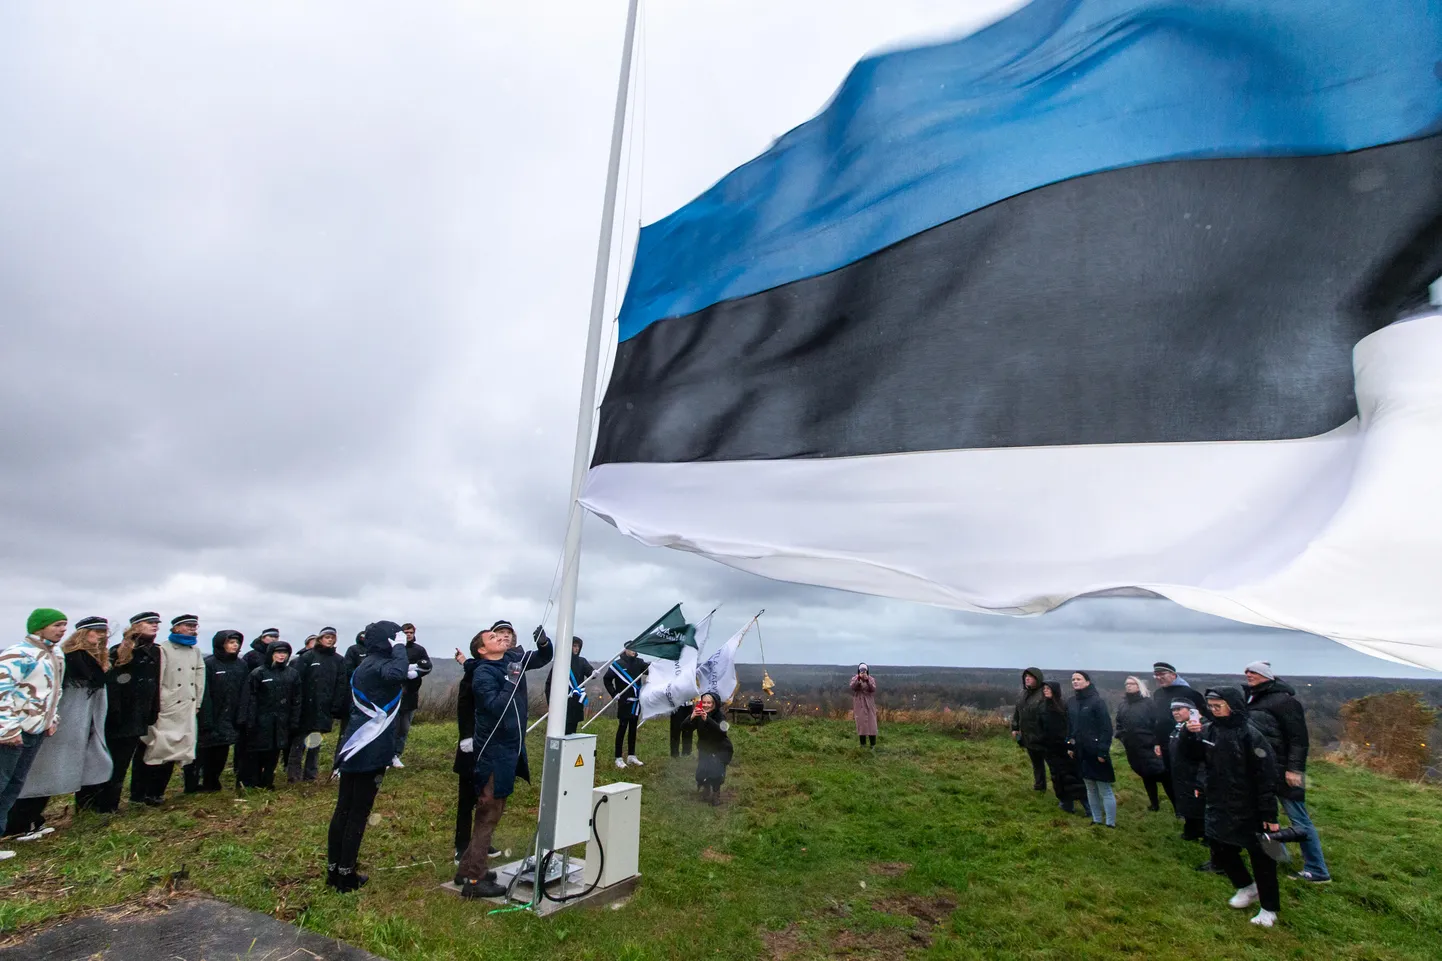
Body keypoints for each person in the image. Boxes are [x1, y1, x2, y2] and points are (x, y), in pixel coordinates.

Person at [455, 622, 553, 899]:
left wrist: (544, 643)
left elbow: (544, 658)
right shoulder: (484, 672)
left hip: (509, 748)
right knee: (489, 812)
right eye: (494, 636)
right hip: (494, 751)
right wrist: (511, 679)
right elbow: (494, 706)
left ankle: (467, 870)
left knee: (490, 811)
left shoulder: (511, 660)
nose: (501, 638)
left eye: (503, 634)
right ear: (482, 649)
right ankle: (475, 881)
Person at [1182, 687, 1282, 928]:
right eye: (1211, 706)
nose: (1213, 710)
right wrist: (1188, 735)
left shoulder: (1250, 735)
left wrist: (1269, 812)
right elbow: (1194, 758)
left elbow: (1266, 774)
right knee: (1219, 846)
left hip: (1250, 805)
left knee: (1262, 857)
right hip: (1219, 801)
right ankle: (1246, 887)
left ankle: (1269, 909)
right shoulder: (1210, 730)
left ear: (1233, 705)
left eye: (1218, 706)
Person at [7, 616, 112, 839]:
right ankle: (19, 824)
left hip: (67, 725)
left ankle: (30, 820)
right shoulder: (71, 658)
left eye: (104, 631)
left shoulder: (68, 657)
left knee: (43, 775)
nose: (102, 635)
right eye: (96, 631)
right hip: (52, 726)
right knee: (35, 774)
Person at [328, 620, 412, 892]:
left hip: (356, 745)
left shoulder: (369, 663)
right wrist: (400, 649)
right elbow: (395, 673)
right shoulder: (379, 664)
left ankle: (334, 869)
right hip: (370, 747)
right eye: (396, 637)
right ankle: (346, 874)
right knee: (357, 812)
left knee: (344, 808)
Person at [1244, 660, 1331, 884]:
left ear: (1267, 676)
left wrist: (1294, 769)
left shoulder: (1284, 701)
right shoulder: (1253, 698)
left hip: (1283, 769)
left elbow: (1298, 738)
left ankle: (1317, 870)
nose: (1248, 674)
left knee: (1298, 818)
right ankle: (1279, 857)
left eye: (1253, 671)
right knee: (1266, 815)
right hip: (1262, 768)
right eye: (1246, 671)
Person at [0, 609, 67, 860]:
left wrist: (52, 719)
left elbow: (53, 693)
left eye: (64, 625)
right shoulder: (18, 654)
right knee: (1, 783)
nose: (62, 630)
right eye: (57, 625)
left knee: (13, 785)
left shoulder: (55, 654)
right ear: (39, 627)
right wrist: (7, 730)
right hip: (12, 733)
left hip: (35, 730)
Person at [136, 614, 206, 806]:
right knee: (157, 750)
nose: (192, 629)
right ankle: (143, 793)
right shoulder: (163, 650)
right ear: (176, 628)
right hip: (167, 708)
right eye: (187, 626)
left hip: (186, 707)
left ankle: (158, 791)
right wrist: (157, 705)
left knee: (175, 753)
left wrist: (197, 702)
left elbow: (200, 678)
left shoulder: (195, 651)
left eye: (194, 626)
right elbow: (158, 679)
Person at [98, 612, 163, 812]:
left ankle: (138, 796)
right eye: (149, 623)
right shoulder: (121, 650)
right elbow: (114, 684)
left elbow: (155, 684)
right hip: (123, 716)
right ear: (136, 626)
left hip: (143, 715)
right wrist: (116, 713)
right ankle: (107, 806)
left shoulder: (156, 651)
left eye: (156, 623)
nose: (155, 626)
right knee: (117, 763)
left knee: (140, 757)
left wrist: (154, 708)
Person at [288, 627, 349, 783]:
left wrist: (335, 705)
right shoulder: (307, 657)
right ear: (320, 639)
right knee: (299, 743)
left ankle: (310, 774)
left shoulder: (338, 660)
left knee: (314, 743)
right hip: (305, 707)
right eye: (327, 637)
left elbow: (341, 684)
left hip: (324, 709)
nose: (329, 640)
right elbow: (297, 681)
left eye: (332, 637)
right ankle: (294, 774)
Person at [239, 639, 301, 790]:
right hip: (261, 720)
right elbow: (250, 699)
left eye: (284, 653)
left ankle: (267, 782)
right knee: (258, 752)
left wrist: (294, 721)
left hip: (281, 721)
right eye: (278, 652)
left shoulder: (292, 674)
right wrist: (249, 721)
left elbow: (297, 699)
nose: (281, 656)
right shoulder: (258, 673)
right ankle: (252, 782)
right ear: (271, 654)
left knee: (274, 753)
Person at [1150, 661, 1208, 812]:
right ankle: (1179, 809)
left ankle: (1195, 811)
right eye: (1156, 675)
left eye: (1162, 674)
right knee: (1169, 775)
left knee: (1187, 777)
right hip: (1165, 742)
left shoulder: (1189, 693)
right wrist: (1156, 741)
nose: (1158, 678)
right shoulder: (1158, 694)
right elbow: (1157, 719)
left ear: (1173, 675)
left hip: (1186, 742)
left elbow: (1204, 716)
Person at [194, 630, 246, 792]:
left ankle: (213, 780)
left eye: (237, 642)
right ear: (220, 644)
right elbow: (204, 691)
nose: (235, 645)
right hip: (211, 713)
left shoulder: (241, 665)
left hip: (230, 714)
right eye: (231, 642)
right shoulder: (209, 664)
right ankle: (196, 782)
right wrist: (206, 716)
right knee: (204, 751)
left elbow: (244, 690)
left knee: (222, 751)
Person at [1166, 698, 1214, 868]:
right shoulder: (1177, 728)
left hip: (1196, 773)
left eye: (1180, 709)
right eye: (1173, 710)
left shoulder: (1201, 727)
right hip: (1181, 773)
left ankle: (1209, 836)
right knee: (1187, 801)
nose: (1176, 712)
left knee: (1201, 803)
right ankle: (1192, 830)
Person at [1066, 671, 1116, 828]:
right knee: (1089, 787)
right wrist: (1070, 745)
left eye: (1079, 679)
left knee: (1104, 787)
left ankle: (1110, 823)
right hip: (1080, 751)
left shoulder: (1096, 701)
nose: (1075, 681)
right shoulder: (1071, 702)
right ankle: (1096, 820)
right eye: (1073, 679)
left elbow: (1106, 728)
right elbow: (1070, 727)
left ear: (1087, 682)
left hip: (1096, 751)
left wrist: (1102, 751)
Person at [1116, 675, 1168, 811]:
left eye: (1132, 683)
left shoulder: (1149, 703)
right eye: (1127, 683)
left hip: (1150, 746)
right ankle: (1154, 804)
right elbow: (1119, 724)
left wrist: (1157, 742)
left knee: (1163, 776)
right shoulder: (1123, 704)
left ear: (1139, 686)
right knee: (1145, 775)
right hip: (1133, 748)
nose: (1129, 686)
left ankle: (1178, 807)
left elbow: (1158, 723)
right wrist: (1123, 737)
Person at [1039, 681, 1088, 816]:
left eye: (1048, 688)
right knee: (1057, 778)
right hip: (1050, 749)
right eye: (1044, 689)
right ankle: (1066, 804)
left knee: (1072, 778)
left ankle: (1088, 807)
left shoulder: (1064, 706)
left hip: (1065, 748)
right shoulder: (1043, 707)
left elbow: (1070, 727)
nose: (1045, 691)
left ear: (1055, 690)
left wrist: (1069, 744)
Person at [682, 691, 733, 804]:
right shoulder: (699, 714)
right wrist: (691, 717)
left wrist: (707, 720)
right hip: (705, 748)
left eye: (709, 703)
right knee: (702, 772)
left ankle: (716, 794)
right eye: (704, 702)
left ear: (714, 704)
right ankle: (706, 788)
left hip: (720, 749)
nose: (706, 705)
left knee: (716, 772)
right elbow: (685, 728)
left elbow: (723, 732)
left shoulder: (720, 716)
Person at [392, 622, 432, 767]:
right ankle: (385, 754)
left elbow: (427, 666)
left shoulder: (419, 650)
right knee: (391, 726)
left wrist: (416, 673)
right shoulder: (394, 649)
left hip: (410, 694)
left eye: (411, 632)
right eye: (406, 632)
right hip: (393, 694)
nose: (409, 635)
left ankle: (396, 754)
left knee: (404, 727)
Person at [604, 647, 648, 769]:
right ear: (625, 650)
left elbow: (650, 670)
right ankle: (618, 757)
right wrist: (614, 693)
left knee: (633, 728)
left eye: (635, 648)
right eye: (631, 649)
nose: (633, 651)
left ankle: (631, 756)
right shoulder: (618, 664)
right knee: (622, 728)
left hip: (636, 702)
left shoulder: (639, 662)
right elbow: (606, 679)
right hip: (624, 702)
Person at [543, 637, 593, 736]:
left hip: (576, 702)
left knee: (572, 732)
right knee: (561, 732)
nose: (576, 649)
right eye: (574, 646)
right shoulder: (560, 663)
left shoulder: (582, 661)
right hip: (562, 703)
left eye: (578, 646)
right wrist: (551, 703)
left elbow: (590, 672)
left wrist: (593, 672)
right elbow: (549, 684)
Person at [1010, 667, 1047, 791]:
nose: (1027, 678)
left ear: (1037, 678)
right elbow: (1017, 711)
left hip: (1043, 735)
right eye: (1025, 676)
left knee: (1054, 764)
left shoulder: (1044, 694)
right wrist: (1014, 727)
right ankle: (1039, 785)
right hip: (1028, 735)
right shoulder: (1023, 694)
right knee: (1036, 763)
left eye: (1030, 676)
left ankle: (1063, 791)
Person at [850, 663, 878, 747]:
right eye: (861, 671)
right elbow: (852, 687)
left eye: (864, 671)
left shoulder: (871, 679)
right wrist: (858, 680)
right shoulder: (855, 678)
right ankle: (863, 744)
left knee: (872, 724)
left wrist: (867, 680)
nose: (863, 672)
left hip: (869, 703)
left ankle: (872, 745)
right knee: (861, 724)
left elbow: (873, 689)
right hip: (859, 703)